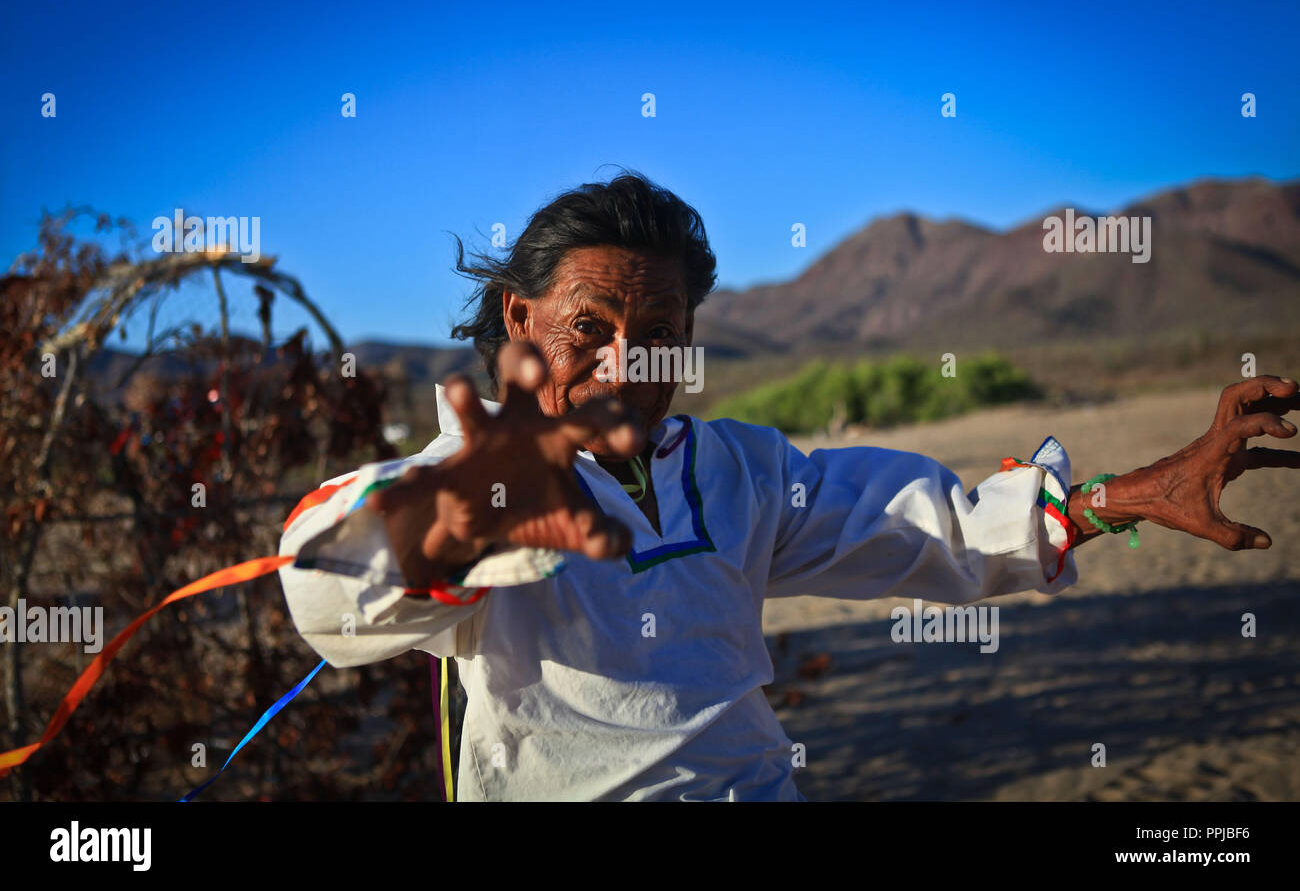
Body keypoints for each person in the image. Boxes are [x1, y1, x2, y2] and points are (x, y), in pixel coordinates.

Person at [277, 171, 1299, 800]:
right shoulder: (467, 475)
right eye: (591, 326)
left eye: (662, 333)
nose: (630, 359)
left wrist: (1121, 495)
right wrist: (463, 513)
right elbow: (321, 583)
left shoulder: (741, 470)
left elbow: (930, 526)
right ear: (518, 320)